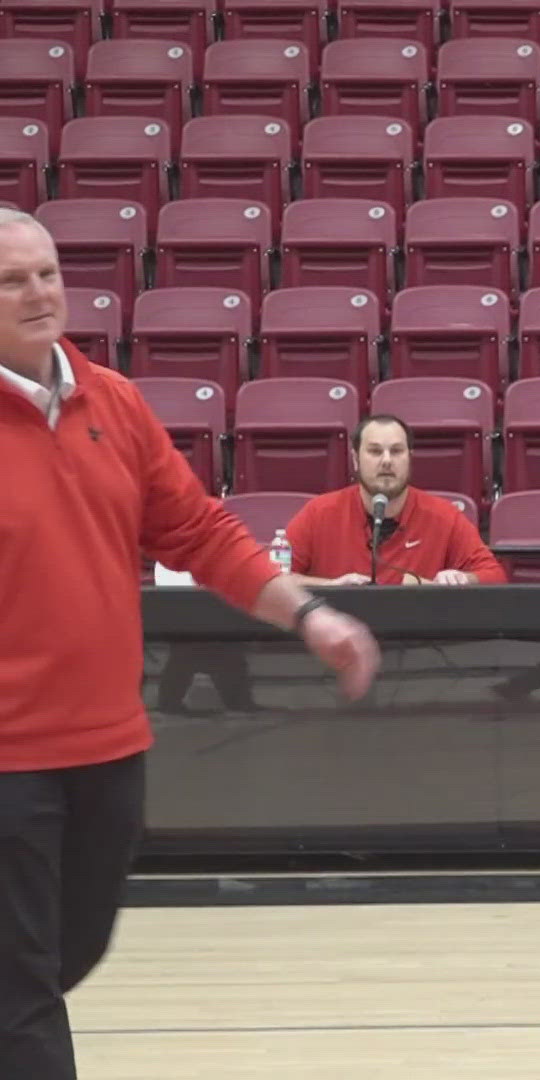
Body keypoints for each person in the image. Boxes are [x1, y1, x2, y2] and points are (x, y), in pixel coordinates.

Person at [0, 207, 379, 1079]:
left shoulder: (115, 404)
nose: (39, 293)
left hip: (106, 744)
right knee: (23, 993)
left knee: (69, 953)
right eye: (14, 280)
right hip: (8, 759)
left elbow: (201, 532)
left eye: (48, 273)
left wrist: (309, 615)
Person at [284, 414, 506, 587]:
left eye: (397, 451)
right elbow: (276, 579)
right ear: (355, 459)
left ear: (410, 457)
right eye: (375, 451)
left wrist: (463, 579)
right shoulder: (319, 513)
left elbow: (495, 577)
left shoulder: (444, 516)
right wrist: (331, 585)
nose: (387, 461)